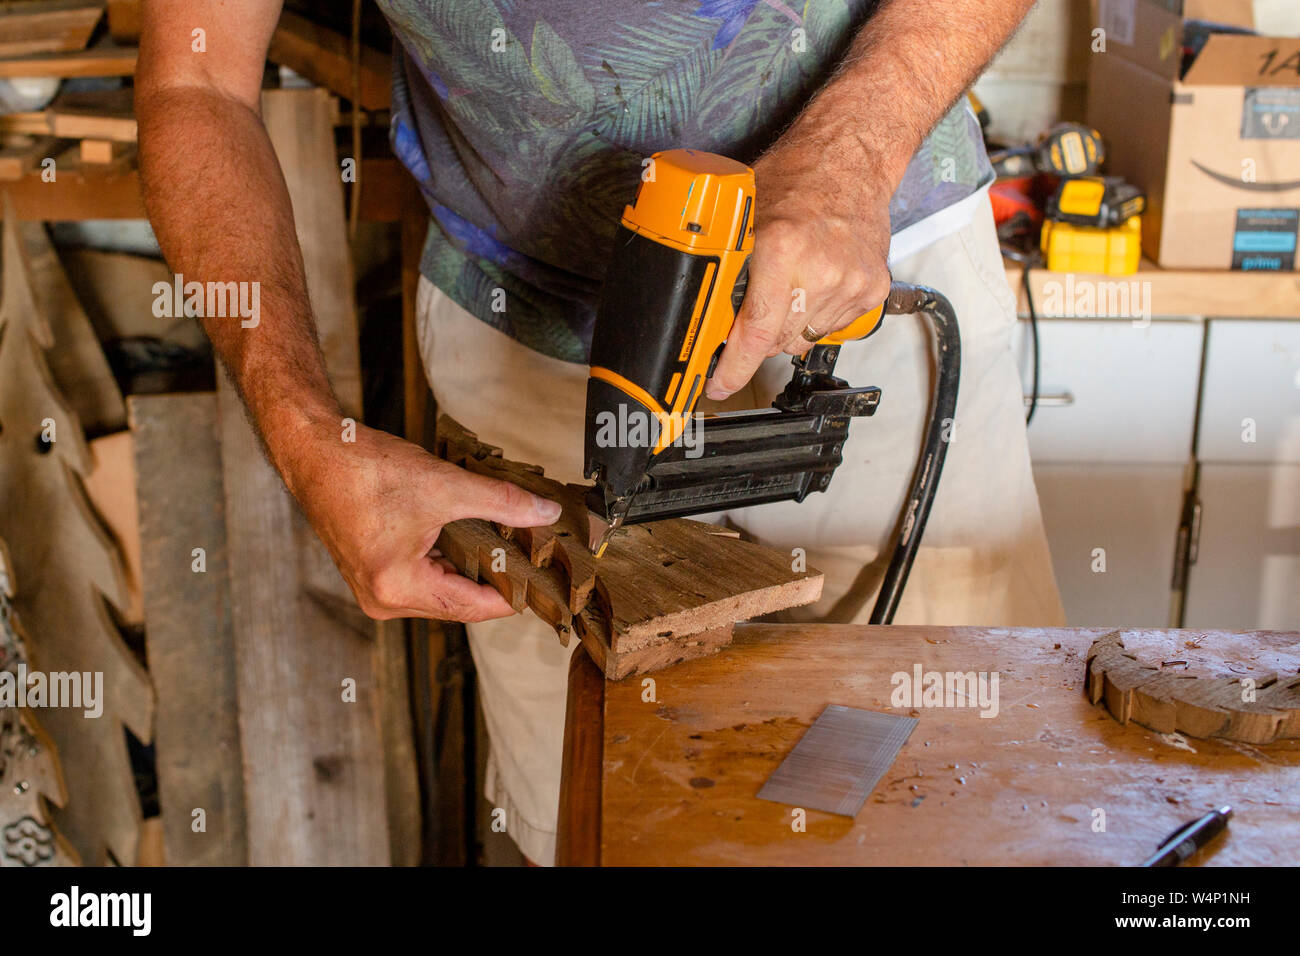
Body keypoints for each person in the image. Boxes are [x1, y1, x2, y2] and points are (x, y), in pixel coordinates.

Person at [137, 0, 1064, 866]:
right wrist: (305, 439)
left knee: (946, 785)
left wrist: (856, 148)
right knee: (598, 815)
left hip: (866, 244)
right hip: (519, 312)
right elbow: (196, 83)